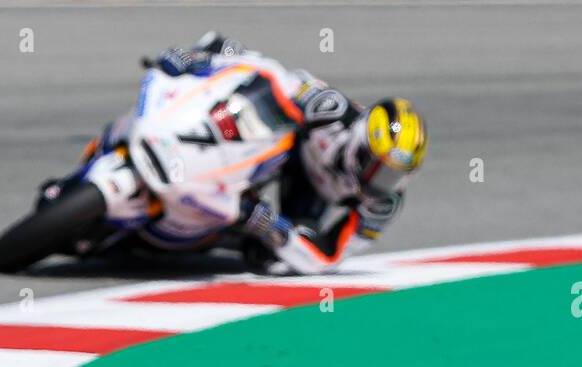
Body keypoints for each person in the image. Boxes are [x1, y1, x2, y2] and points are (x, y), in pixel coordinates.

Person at [152, 32, 427, 274]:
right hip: (281, 146)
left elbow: (328, 258)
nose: (379, 180)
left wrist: (274, 229)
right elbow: (273, 76)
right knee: (227, 52)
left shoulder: (383, 205)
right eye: (375, 166)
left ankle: (224, 224)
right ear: (359, 142)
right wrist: (205, 59)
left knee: (275, 259)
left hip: (309, 194)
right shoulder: (331, 110)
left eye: (392, 175)